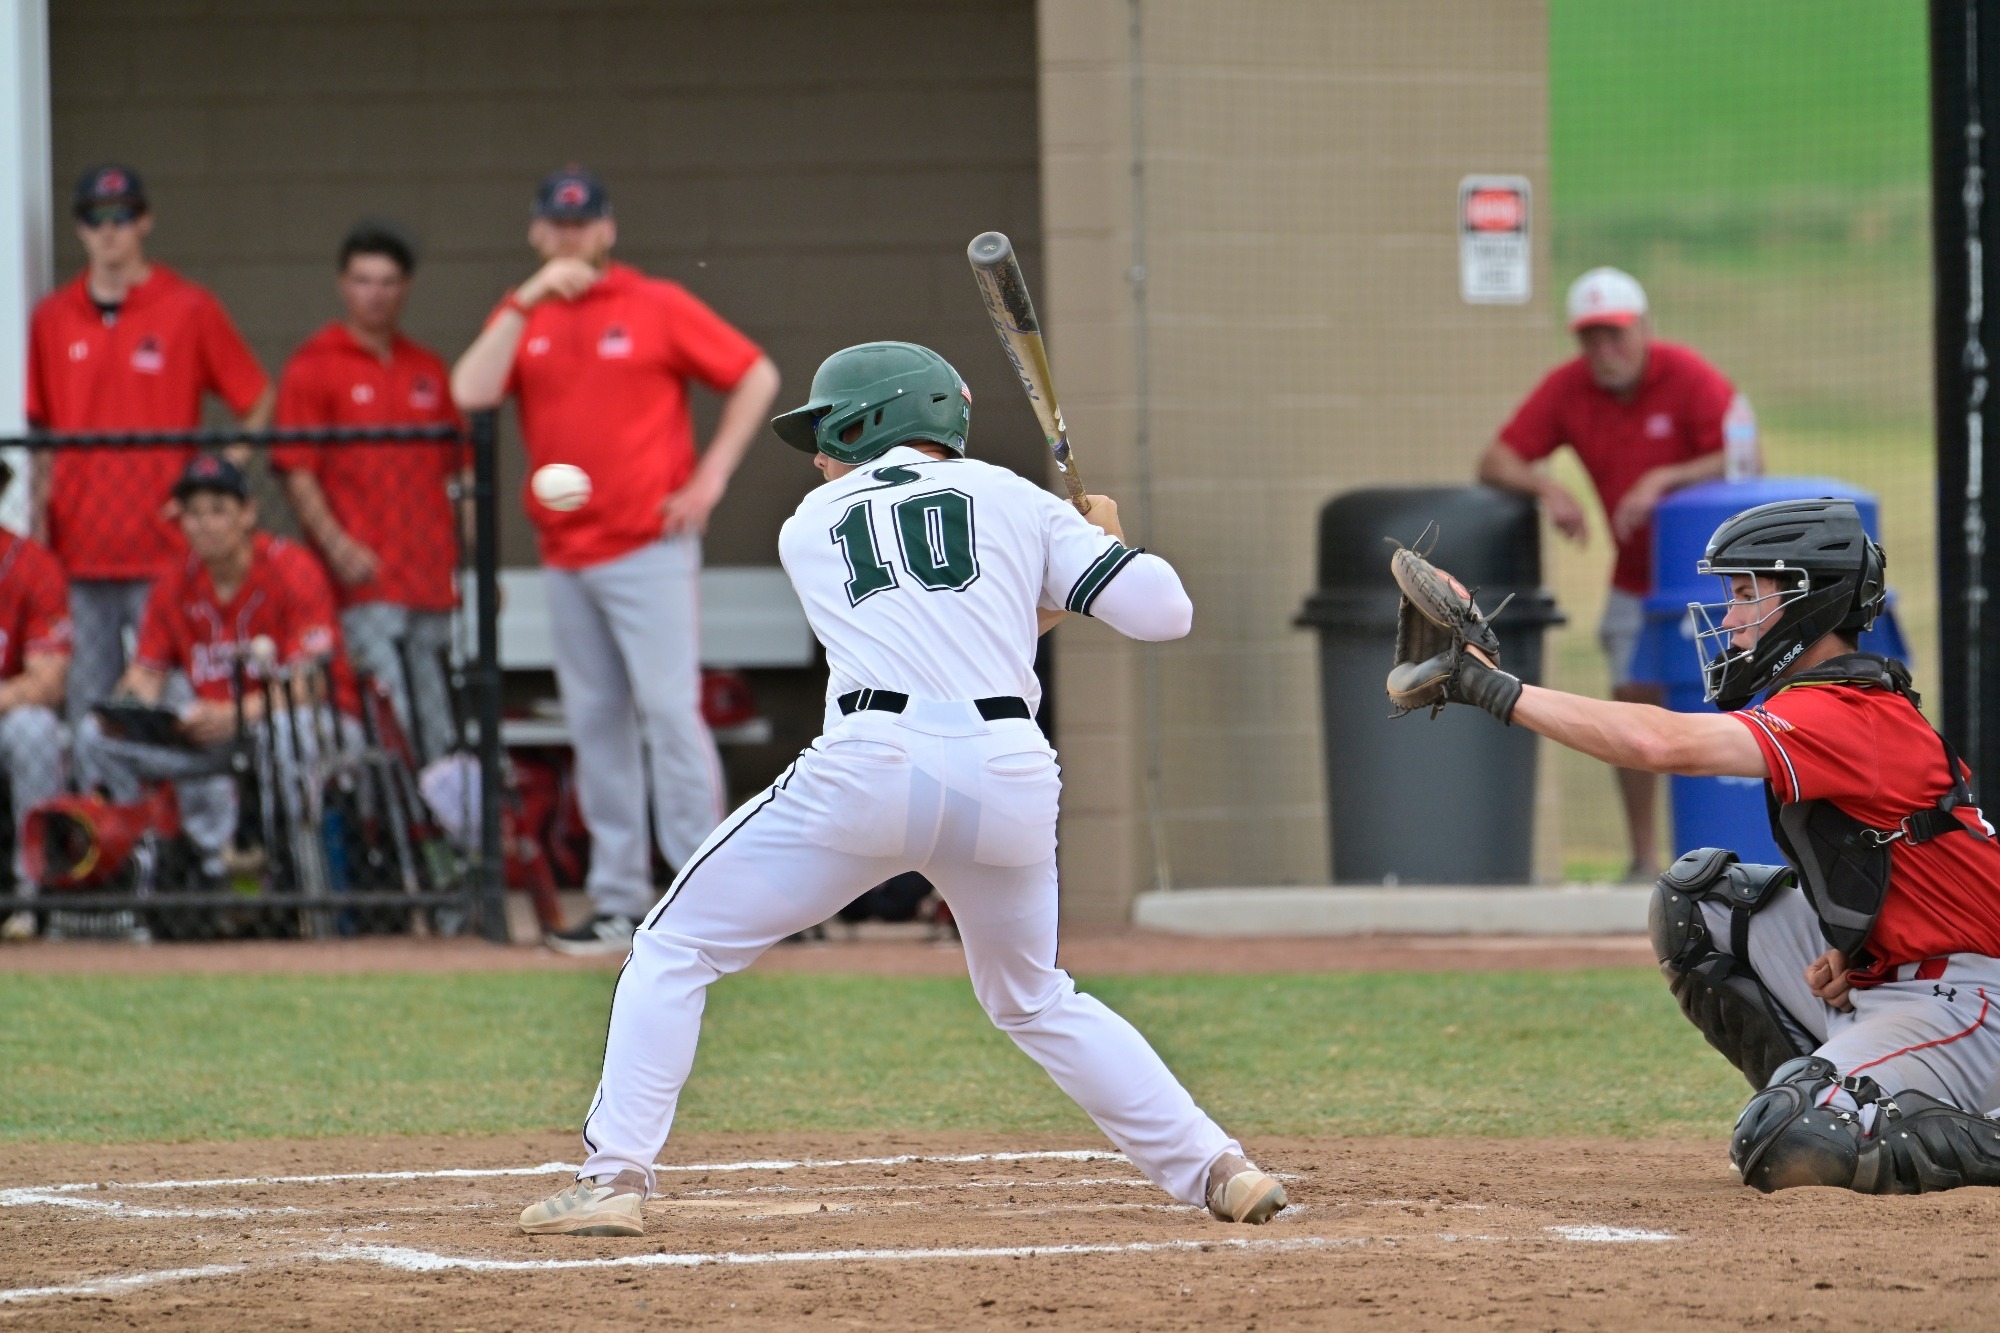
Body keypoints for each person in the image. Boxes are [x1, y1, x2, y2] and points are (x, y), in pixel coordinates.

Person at [517, 341, 1287, 1236]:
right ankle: (1218, 1167)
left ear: (870, 420)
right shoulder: (1013, 497)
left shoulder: (809, 522)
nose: (818, 456)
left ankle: (614, 1176)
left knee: (673, 944)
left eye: (827, 432)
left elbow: (948, 611)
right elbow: (1161, 612)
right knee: (1035, 996)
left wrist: (1071, 553)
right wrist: (1103, 547)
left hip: (871, 769)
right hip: (1007, 774)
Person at [1389, 497, 2000, 1195]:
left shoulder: (1848, 712)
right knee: (1701, 902)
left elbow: (1659, 743)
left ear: (1810, 601)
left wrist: (1489, 686)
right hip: (1903, 979)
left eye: (1745, 594)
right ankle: (1832, 1088)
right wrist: (1862, 945)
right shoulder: (1832, 703)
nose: (1729, 618)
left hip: (1967, 1004)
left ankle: (1870, 1113)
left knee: (1790, 1139)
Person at [450, 166, 781, 955]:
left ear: (606, 228)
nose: (571, 237)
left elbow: (755, 373)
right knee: (595, 721)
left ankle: (704, 897)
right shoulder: (523, 311)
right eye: (558, 224)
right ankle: (619, 898)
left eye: (583, 223)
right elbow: (470, 390)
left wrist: (710, 478)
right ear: (538, 230)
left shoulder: (653, 302)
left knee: (668, 711)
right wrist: (525, 298)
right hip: (567, 553)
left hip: (649, 546)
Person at [1476, 267, 1737, 881]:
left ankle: (1729, 851)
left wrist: (1662, 480)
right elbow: (1495, 460)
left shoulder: (1688, 376)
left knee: (1726, 707)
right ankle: (1645, 859)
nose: (1605, 350)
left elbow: (1739, 456)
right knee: (1629, 705)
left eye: (1616, 334)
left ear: (1644, 328)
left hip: (1711, 579)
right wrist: (1547, 488)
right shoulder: (1569, 389)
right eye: (1591, 338)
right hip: (1634, 580)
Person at [24, 164, 273, 731]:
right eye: (96, 218)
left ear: (145, 222)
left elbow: (257, 399)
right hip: (78, 546)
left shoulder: (188, 307)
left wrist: (215, 479)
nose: (109, 230)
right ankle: (98, 789)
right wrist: (40, 527)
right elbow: (41, 435)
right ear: (80, 228)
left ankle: (174, 793)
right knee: (90, 709)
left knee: (172, 700)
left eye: (123, 215)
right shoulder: (52, 318)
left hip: (166, 547)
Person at [75, 456, 358, 877]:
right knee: (94, 736)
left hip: (307, 724)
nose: (205, 524)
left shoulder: (291, 567)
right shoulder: (175, 581)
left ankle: (299, 874)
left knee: (284, 733)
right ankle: (142, 863)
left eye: (218, 511)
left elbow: (311, 682)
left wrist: (233, 715)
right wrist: (129, 713)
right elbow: (146, 674)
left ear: (248, 514)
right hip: (212, 731)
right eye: (193, 513)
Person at [273, 221, 466, 765]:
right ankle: (393, 815)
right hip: (366, 577)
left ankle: (437, 814)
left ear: (405, 287)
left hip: (431, 576)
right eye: (363, 281)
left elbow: (459, 474)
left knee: (436, 717)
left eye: (387, 282)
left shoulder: (427, 368)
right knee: (387, 712)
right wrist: (337, 545)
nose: (375, 294)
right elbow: (296, 470)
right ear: (343, 285)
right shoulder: (314, 364)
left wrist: (475, 563)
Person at [0, 461, 72, 941]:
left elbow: (47, 682)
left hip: (5, 711)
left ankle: (33, 893)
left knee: (35, 728)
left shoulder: (29, 563)